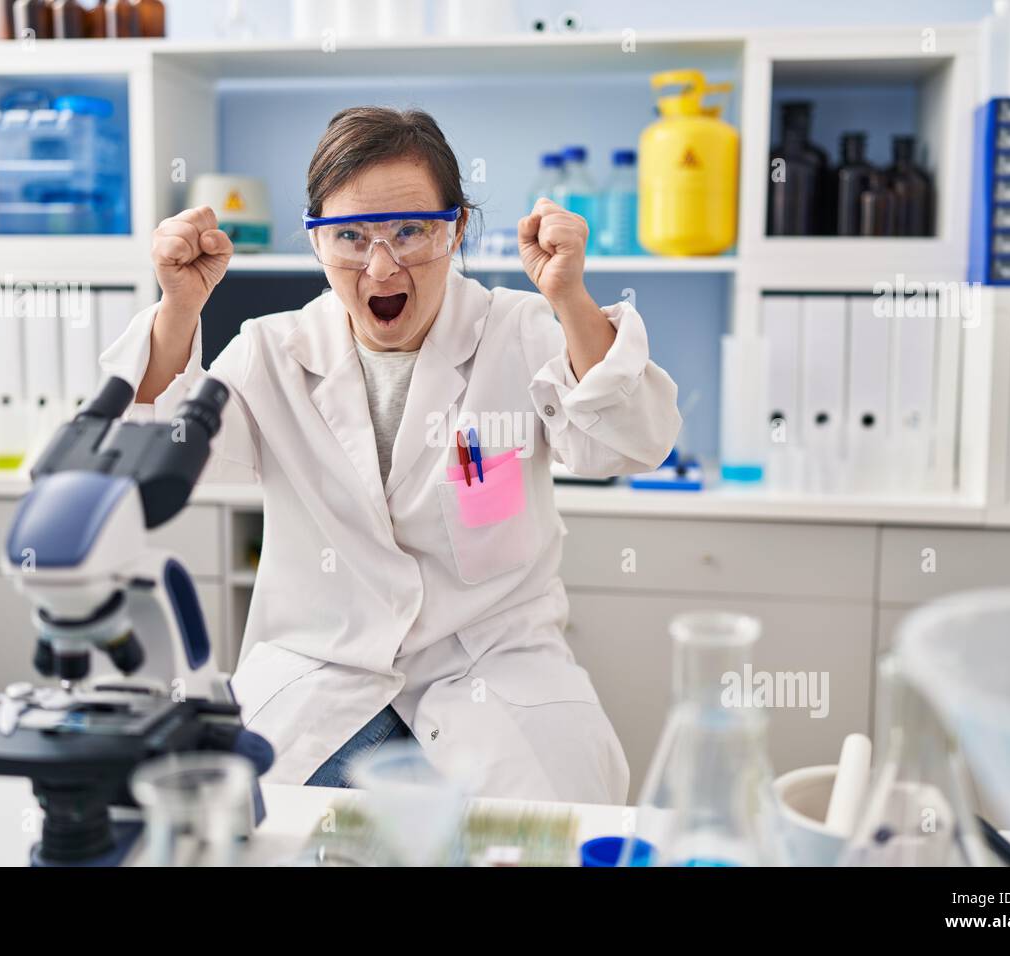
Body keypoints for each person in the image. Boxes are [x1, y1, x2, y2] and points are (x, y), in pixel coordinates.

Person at [101, 107, 681, 804]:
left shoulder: (519, 331)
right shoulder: (272, 352)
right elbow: (151, 459)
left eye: (410, 230)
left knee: (551, 828)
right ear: (317, 242)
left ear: (457, 228)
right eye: (349, 236)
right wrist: (178, 308)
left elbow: (632, 444)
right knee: (241, 827)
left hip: (495, 672)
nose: (381, 265)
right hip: (323, 673)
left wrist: (569, 298)